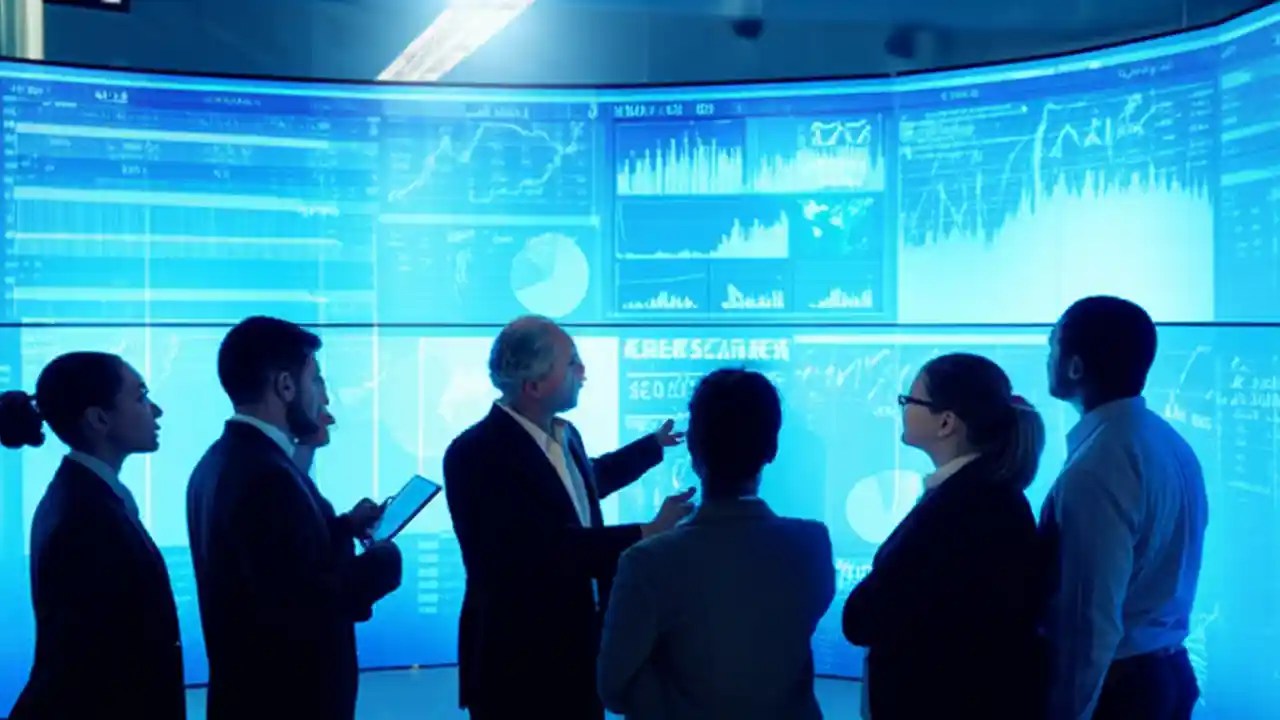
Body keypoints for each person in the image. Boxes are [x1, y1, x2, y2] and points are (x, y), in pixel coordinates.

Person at [444, 315, 693, 720]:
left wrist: (650, 448)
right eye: (573, 362)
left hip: (577, 653)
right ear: (534, 385)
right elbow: (546, 549)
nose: (583, 373)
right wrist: (648, 531)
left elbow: (582, 485)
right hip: (518, 667)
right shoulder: (475, 455)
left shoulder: (563, 433)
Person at [186, 316, 403, 720]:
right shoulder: (266, 476)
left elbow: (275, 564)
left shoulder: (219, 461)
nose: (324, 397)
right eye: (317, 380)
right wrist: (385, 561)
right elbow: (305, 603)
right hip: (288, 701)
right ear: (286, 386)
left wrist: (341, 528)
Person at [597, 368, 835, 720]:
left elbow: (614, 687)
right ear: (771, 448)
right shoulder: (812, 544)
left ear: (693, 448)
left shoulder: (647, 562)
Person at [842, 352, 1046, 719]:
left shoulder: (961, 508)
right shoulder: (986, 496)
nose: (902, 408)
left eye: (910, 399)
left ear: (946, 422)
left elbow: (867, 616)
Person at [1041, 296, 1207, 720]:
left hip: (1119, 688)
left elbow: (1090, 616)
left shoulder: (1099, 464)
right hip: (1166, 673)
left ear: (1075, 366)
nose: (1048, 355)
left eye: (1052, 344)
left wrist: (1067, 711)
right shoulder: (1169, 442)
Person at [3, 352, 184, 720]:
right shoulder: (86, 518)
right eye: (141, 396)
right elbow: (96, 666)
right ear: (99, 419)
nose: (157, 410)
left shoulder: (83, 496)